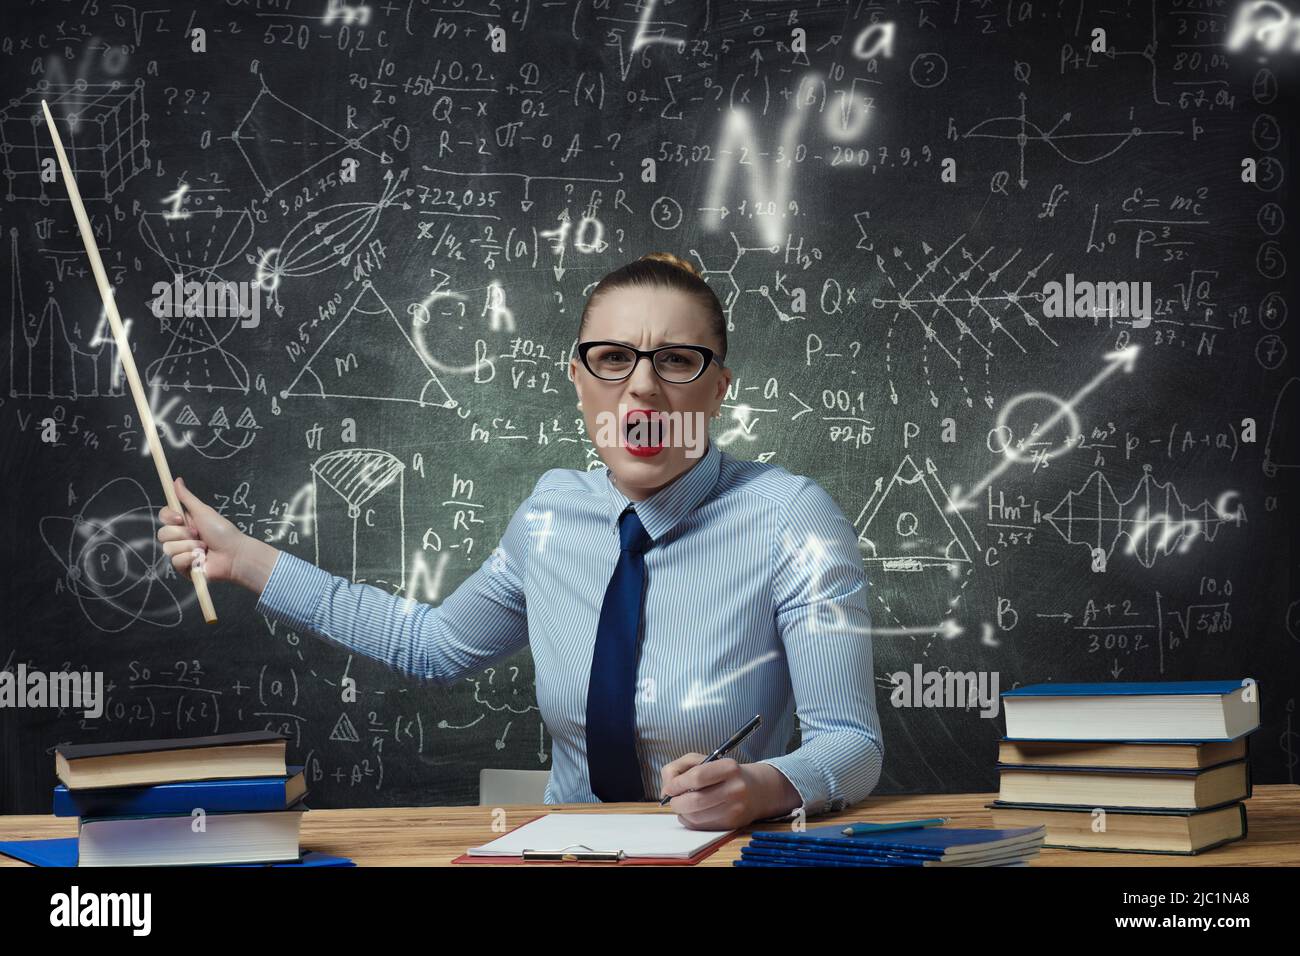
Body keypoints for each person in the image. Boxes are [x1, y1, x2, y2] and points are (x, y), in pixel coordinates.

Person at [157, 252, 883, 830]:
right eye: (612, 358)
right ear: (578, 380)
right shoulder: (549, 516)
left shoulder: (790, 518)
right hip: (565, 853)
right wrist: (244, 559)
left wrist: (761, 787)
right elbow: (431, 646)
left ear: (718, 387)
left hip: (721, 857)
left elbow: (851, 744)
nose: (642, 388)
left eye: (676, 360)